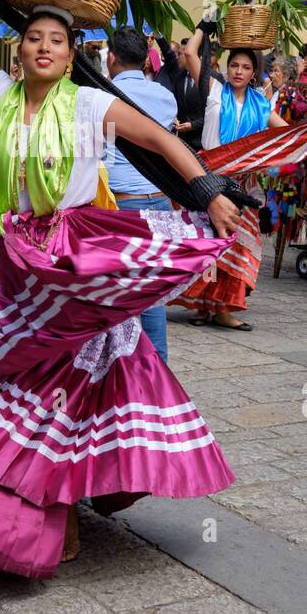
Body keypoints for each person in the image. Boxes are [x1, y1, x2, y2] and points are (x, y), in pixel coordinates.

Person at [0, 0, 242, 578]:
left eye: (57, 40)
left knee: (68, 389)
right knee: (1, 375)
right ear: (21, 50)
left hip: (72, 263)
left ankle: (59, 505)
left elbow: (163, 142)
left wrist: (208, 193)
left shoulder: (93, 105)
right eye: (34, 37)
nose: (44, 46)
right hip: (11, 261)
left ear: (72, 56)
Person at [176, 21, 286, 330]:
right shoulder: (213, 90)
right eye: (234, 65)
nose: (238, 71)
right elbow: (190, 51)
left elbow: (288, 133)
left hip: (242, 184)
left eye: (245, 67)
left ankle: (222, 308)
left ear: (254, 73)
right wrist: (202, 27)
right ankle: (201, 305)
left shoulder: (262, 105)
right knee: (207, 243)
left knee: (234, 244)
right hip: (210, 179)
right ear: (226, 68)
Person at [104, 27, 179, 362]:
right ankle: (156, 366)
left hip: (122, 202)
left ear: (111, 57)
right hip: (159, 200)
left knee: (117, 290)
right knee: (151, 291)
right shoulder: (164, 96)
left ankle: (119, 369)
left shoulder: (102, 94)